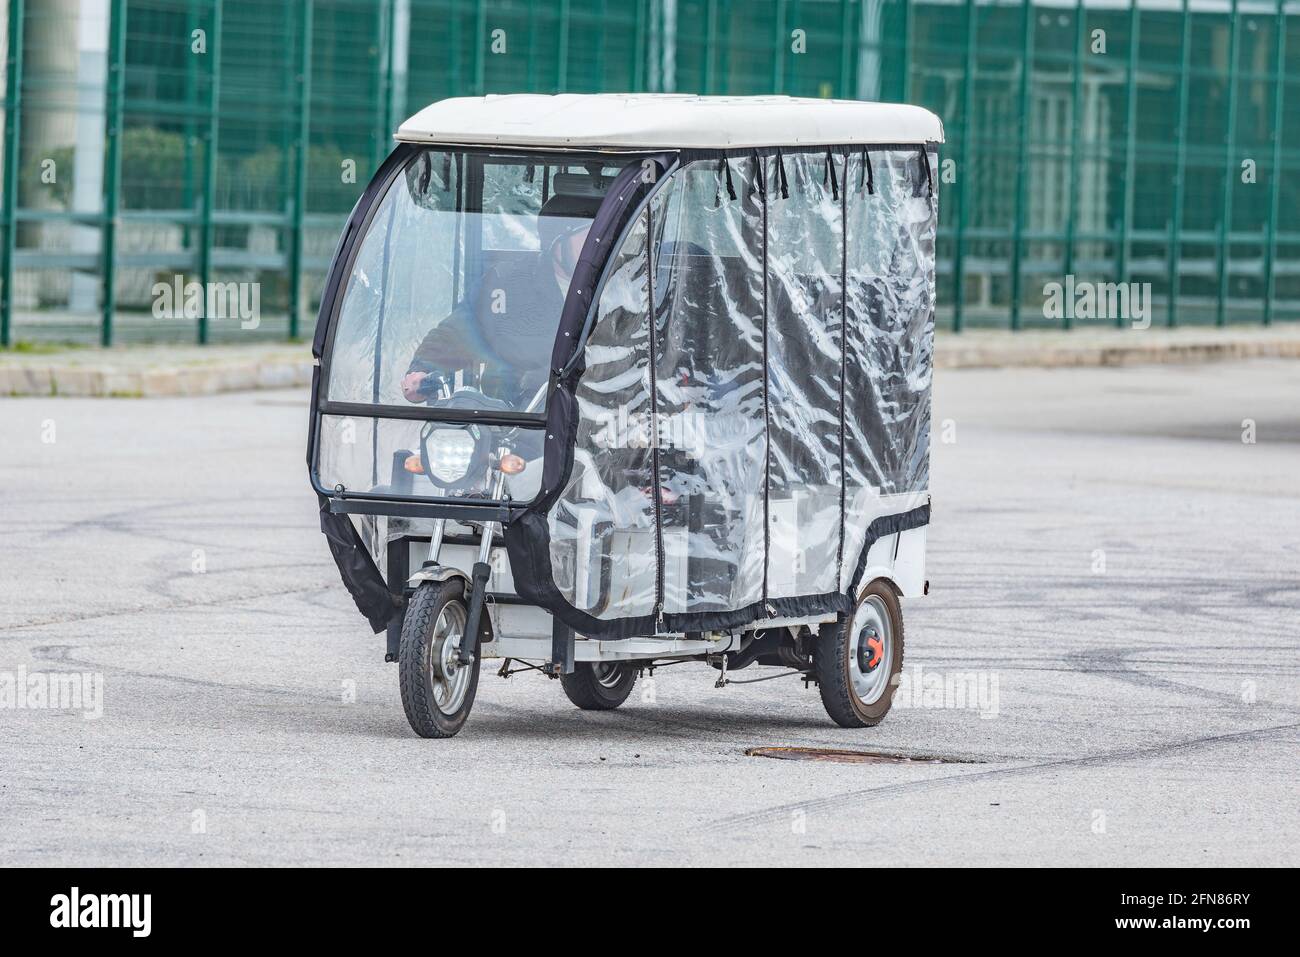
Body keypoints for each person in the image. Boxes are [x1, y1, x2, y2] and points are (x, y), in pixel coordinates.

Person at [401, 193, 597, 408]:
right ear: (556, 242)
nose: (597, 245)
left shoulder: (622, 284)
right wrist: (423, 371)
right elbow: (461, 331)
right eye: (587, 236)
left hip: (604, 418)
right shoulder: (506, 286)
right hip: (514, 422)